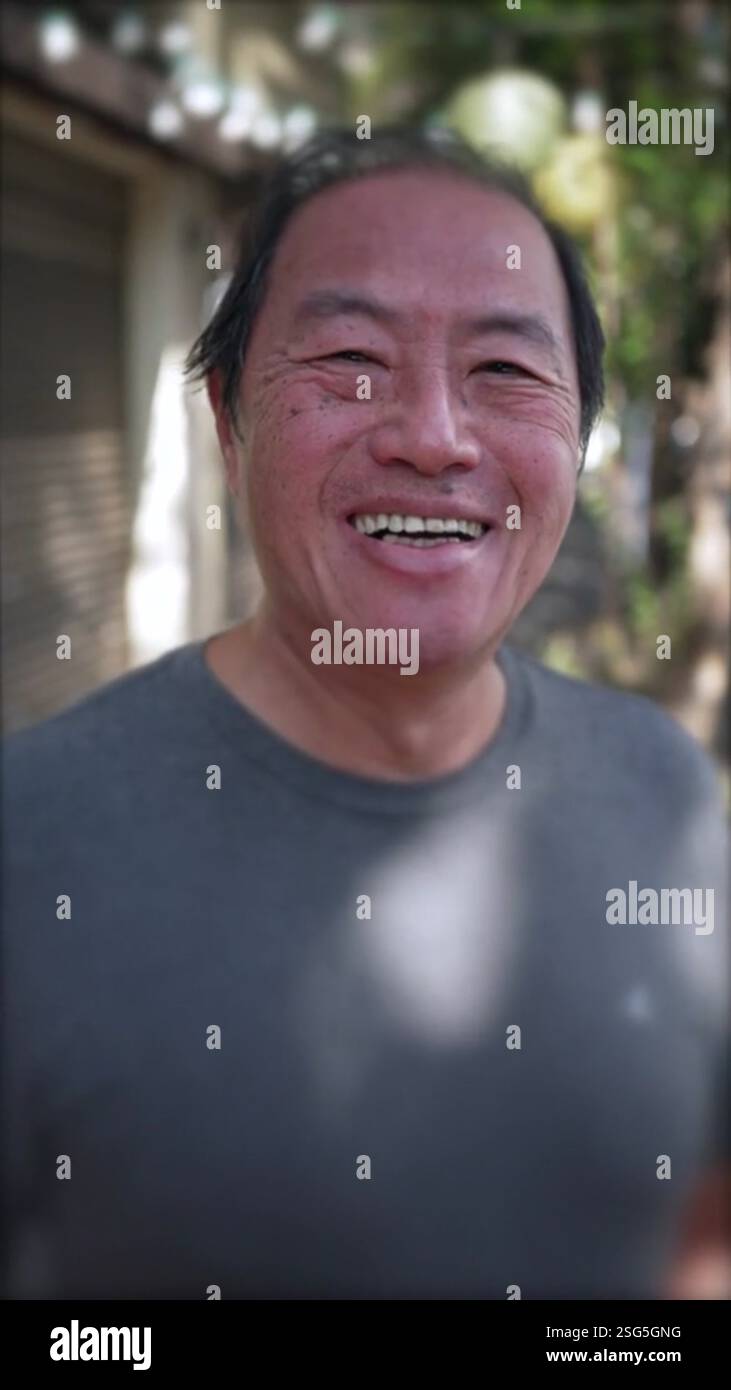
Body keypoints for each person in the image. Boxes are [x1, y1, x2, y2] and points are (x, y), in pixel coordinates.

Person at [3, 127, 727, 1300]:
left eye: (503, 372)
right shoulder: (29, 841)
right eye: (348, 359)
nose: (433, 437)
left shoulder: (665, 791)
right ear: (229, 420)